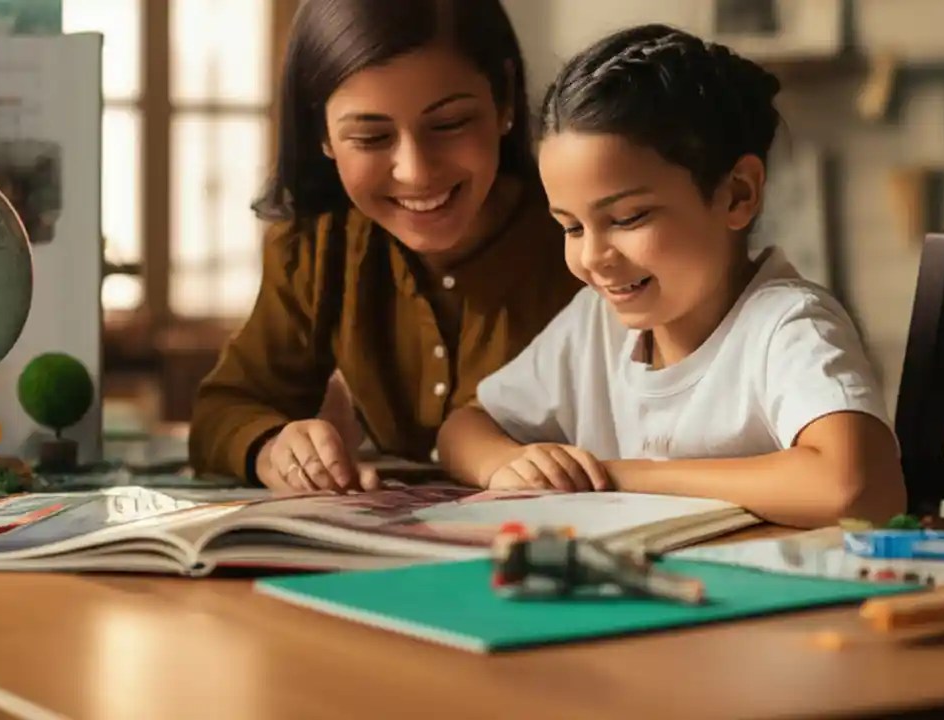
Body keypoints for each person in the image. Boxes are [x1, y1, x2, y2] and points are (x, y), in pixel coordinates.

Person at [436, 24, 906, 528]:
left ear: (738, 194)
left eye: (628, 218)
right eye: (571, 226)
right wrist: (504, 464)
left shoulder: (787, 326)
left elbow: (855, 485)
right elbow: (462, 426)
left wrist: (620, 476)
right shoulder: (594, 325)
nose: (593, 257)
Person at [189, 0, 582, 493]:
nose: (416, 171)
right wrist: (274, 449)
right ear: (322, 133)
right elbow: (225, 409)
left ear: (503, 98)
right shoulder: (318, 245)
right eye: (372, 137)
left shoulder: (586, 237)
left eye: (449, 124)